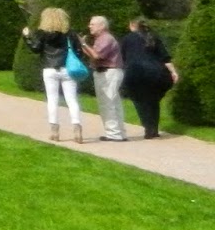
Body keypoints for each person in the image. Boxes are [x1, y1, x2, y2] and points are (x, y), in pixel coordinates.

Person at [22, 7, 87, 144]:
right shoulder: (70, 34)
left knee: (52, 99)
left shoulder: (42, 34)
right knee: (72, 99)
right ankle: (77, 128)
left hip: (50, 68)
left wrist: (27, 36)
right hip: (67, 69)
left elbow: (35, 48)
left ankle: (54, 131)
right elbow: (79, 51)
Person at [121, 18, 178, 139]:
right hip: (156, 73)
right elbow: (165, 58)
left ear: (132, 25)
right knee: (153, 100)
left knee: (138, 100)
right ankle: (154, 129)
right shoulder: (153, 37)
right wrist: (173, 72)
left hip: (136, 72)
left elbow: (123, 58)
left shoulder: (127, 39)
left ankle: (148, 127)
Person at [85, 15, 128, 143]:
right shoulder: (101, 39)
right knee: (114, 103)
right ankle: (119, 132)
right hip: (109, 72)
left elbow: (97, 56)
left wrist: (82, 43)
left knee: (107, 102)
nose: (89, 26)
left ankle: (114, 133)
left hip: (108, 72)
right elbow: (93, 55)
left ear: (102, 26)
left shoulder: (105, 38)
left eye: (92, 24)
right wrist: (83, 46)